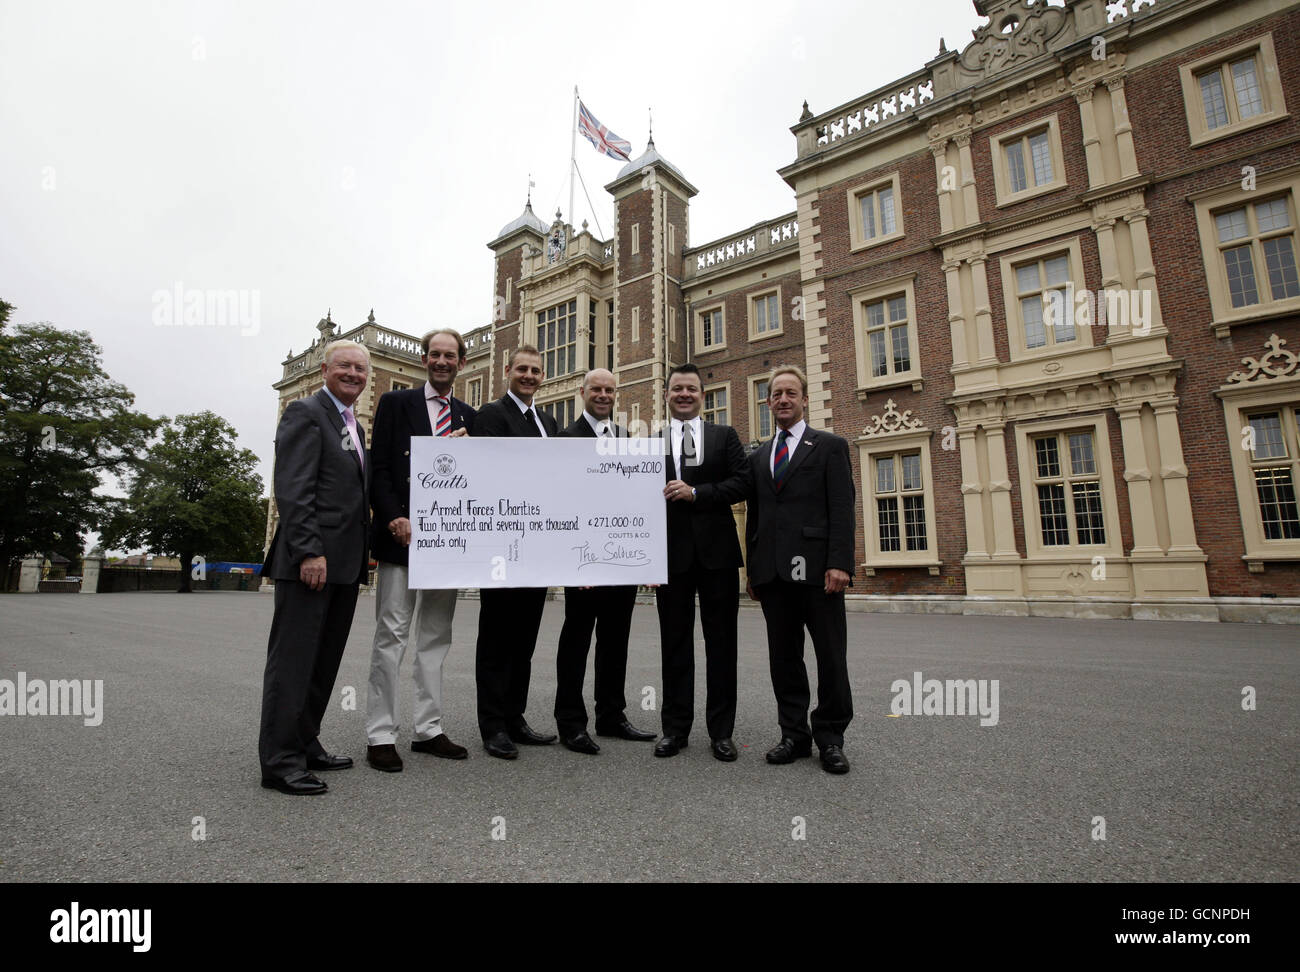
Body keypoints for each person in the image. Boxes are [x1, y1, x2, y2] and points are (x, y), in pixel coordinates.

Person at [259, 340, 372, 795]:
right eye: (344, 365)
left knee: (323, 662)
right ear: (325, 369)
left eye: (361, 369)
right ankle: (281, 761)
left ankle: (306, 742)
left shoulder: (353, 426)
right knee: (293, 663)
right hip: (313, 561)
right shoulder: (305, 413)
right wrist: (309, 551)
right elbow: (292, 487)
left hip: (344, 564)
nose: (354, 374)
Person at [364, 328, 476, 772]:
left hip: (448, 543)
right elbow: (382, 467)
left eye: (450, 356)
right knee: (391, 636)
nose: (442, 361)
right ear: (425, 360)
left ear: (461, 363)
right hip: (403, 539)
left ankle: (428, 729)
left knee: (434, 638)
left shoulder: (469, 414)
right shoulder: (396, 404)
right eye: (435, 354)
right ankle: (380, 733)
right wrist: (393, 515)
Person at [745, 366, 854, 774]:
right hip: (773, 576)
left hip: (819, 573)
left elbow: (842, 509)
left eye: (791, 393)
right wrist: (754, 572)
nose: (784, 400)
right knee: (785, 658)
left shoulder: (828, 446)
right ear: (769, 402)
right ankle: (793, 734)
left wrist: (840, 562)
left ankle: (830, 737)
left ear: (804, 399)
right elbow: (756, 517)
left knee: (830, 656)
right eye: (776, 394)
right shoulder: (758, 456)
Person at [554, 368, 657, 755]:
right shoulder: (566, 439)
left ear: (616, 395)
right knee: (577, 641)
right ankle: (570, 722)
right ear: (582, 393)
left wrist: (646, 560)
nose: (603, 394)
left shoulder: (629, 440)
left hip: (621, 562)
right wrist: (570, 561)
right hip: (583, 563)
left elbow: (637, 504)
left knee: (616, 641)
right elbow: (560, 502)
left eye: (609, 390)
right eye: (596, 388)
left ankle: (611, 716)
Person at [655, 363, 751, 761]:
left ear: (702, 395)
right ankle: (675, 730)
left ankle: (721, 732)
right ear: (667, 395)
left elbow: (743, 482)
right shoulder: (652, 442)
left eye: (691, 389)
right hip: (669, 559)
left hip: (717, 557)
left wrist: (697, 493)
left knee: (721, 644)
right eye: (677, 388)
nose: (684, 394)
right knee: (674, 645)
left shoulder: (724, 436)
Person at [472, 345, 559, 759]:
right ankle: (492, 725)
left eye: (535, 370)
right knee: (496, 639)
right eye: (522, 369)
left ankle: (515, 717)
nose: (528, 375)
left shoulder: (548, 420)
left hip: (537, 548)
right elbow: (489, 474)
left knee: (524, 640)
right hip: (503, 546)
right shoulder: (490, 416)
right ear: (507, 371)